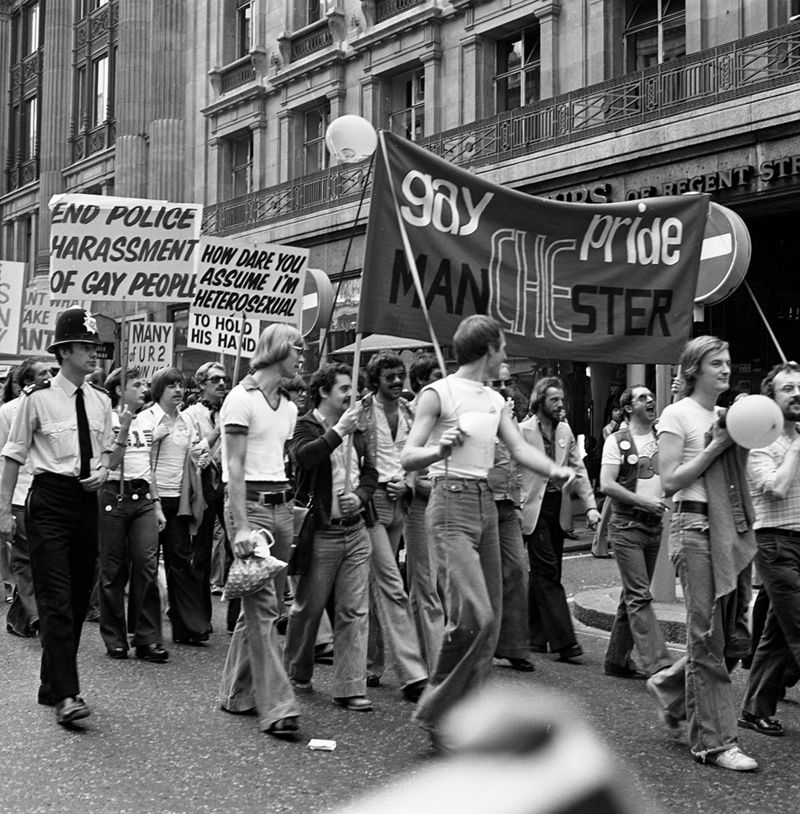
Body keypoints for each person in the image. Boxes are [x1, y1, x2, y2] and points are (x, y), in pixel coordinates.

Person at [401, 315, 574, 748]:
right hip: (449, 500)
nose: (506, 354)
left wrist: (554, 470)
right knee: (473, 616)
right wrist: (440, 448)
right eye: (502, 347)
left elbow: (518, 448)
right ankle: (439, 711)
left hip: (487, 503)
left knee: (489, 622)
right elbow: (408, 456)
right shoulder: (438, 393)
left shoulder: (495, 400)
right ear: (489, 349)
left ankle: (464, 722)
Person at [646, 336, 758, 772]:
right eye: (716, 363)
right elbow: (670, 481)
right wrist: (716, 445)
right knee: (707, 639)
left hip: (727, 528)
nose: (726, 369)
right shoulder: (677, 414)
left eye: (728, 361)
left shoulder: (726, 417)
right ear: (694, 370)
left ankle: (670, 690)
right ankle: (714, 743)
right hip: (693, 527)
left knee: (729, 641)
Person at [0, 308, 113, 725]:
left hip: (85, 502)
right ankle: (68, 695)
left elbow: (105, 451)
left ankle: (51, 683)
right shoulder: (37, 399)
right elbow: (13, 456)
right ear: (64, 352)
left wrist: (104, 470)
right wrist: (4, 511)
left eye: (95, 346)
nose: (94, 353)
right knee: (56, 600)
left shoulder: (101, 400)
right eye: (85, 346)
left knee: (80, 597)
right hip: (48, 501)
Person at [218, 323, 303, 739]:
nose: (302, 356)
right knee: (266, 609)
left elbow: (278, 457)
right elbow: (234, 466)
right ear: (279, 349)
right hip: (249, 506)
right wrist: (241, 526)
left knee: (259, 608)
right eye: (298, 348)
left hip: (281, 506)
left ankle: (236, 694)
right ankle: (279, 708)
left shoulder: (289, 407)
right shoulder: (240, 399)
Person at [285, 362, 376, 711]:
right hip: (322, 532)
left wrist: (361, 497)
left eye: (355, 389)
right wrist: (339, 430)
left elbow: (370, 473)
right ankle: (297, 672)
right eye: (344, 389)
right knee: (308, 608)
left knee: (353, 610)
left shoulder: (360, 426)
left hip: (355, 530)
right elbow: (304, 458)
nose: (352, 395)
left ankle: (350, 687)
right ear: (323, 391)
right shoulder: (306, 424)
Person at [360, 351, 427, 701]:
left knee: (377, 586)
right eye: (390, 377)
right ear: (375, 381)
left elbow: (417, 458)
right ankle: (412, 674)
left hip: (400, 501)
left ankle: (370, 665)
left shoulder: (411, 412)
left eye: (401, 375)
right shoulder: (360, 411)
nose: (399, 381)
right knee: (391, 583)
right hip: (372, 504)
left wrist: (409, 484)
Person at [519, 377, 600, 662]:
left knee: (544, 572)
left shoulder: (565, 430)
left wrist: (590, 507)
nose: (560, 405)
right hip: (533, 509)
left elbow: (579, 470)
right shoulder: (523, 431)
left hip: (557, 508)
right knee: (547, 571)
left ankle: (534, 636)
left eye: (561, 400)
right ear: (540, 401)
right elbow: (513, 470)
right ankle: (565, 641)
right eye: (554, 399)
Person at [739, 361, 800, 736]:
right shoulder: (760, 441)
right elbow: (775, 488)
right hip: (775, 543)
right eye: (788, 388)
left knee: (778, 634)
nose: (797, 393)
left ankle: (754, 709)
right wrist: (795, 446)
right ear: (771, 399)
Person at [599, 385, 672, 679]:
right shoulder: (617, 441)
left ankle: (616, 661)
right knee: (640, 596)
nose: (651, 399)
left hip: (653, 527)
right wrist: (644, 502)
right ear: (629, 408)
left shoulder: (661, 436)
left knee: (631, 596)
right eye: (643, 397)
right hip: (627, 526)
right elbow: (607, 484)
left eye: (651, 396)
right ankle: (660, 664)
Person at [97, 367, 168, 663]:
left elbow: (148, 464)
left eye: (144, 384)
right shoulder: (106, 419)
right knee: (112, 569)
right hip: (113, 495)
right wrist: (124, 429)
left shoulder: (149, 419)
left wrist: (157, 503)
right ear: (119, 390)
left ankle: (147, 638)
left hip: (143, 498)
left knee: (147, 564)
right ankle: (114, 638)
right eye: (137, 385)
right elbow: (111, 462)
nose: (144, 389)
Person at [137, 367, 209, 645]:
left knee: (180, 562)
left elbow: (192, 454)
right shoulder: (146, 418)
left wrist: (200, 458)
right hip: (149, 499)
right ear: (159, 390)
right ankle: (146, 631)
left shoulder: (186, 419)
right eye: (171, 385)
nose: (178, 390)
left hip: (178, 501)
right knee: (146, 564)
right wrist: (153, 437)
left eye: (180, 385)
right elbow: (138, 457)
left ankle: (188, 627)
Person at [1, 359, 51, 637]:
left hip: (46, 492)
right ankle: (36, 616)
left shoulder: (52, 406)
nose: (49, 376)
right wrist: (3, 505)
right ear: (27, 381)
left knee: (41, 556)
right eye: (43, 373)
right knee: (25, 556)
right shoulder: (7, 411)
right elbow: (3, 457)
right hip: (20, 492)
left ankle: (18, 618)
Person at [488, 367, 534, 672]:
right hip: (480, 502)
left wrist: (517, 504)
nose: (504, 387)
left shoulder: (510, 416)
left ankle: (514, 646)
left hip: (506, 504)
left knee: (517, 569)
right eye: (497, 382)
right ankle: (480, 645)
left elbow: (515, 462)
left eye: (507, 382)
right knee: (486, 579)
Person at [403, 353, 445, 674]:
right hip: (419, 503)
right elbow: (407, 465)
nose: (442, 383)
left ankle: (423, 656)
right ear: (419, 382)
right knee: (426, 584)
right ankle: (436, 665)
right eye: (435, 377)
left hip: (446, 501)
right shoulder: (411, 414)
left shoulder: (447, 411)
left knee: (428, 585)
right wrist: (426, 485)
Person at [182, 362, 231, 623]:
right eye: (215, 380)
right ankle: (199, 618)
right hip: (203, 482)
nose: (222, 384)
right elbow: (192, 451)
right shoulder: (190, 415)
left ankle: (235, 618)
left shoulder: (231, 410)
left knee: (235, 547)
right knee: (200, 550)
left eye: (224, 379)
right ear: (201, 384)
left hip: (228, 481)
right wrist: (216, 431)